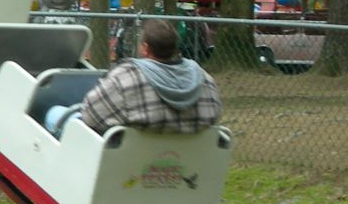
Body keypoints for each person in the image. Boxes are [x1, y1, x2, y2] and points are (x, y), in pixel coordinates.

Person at [44, 18, 223, 138]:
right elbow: (214, 116)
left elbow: (90, 116)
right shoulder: (203, 79)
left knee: (55, 114)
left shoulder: (129, 76)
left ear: (145, 48)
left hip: (128, 160)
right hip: (183, 159)